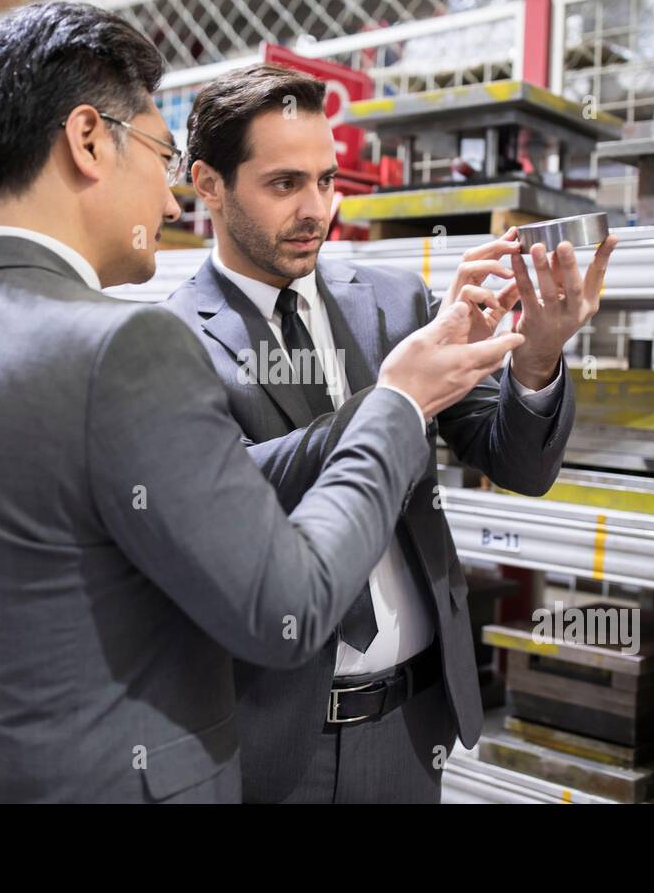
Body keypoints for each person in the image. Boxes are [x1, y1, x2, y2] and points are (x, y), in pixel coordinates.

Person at [0, 1, 521, 803]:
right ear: (89, 141)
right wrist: (396, 405)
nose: (165, 203)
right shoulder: (126, 347)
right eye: (160, 156)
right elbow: (284, 606)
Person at [165, 64, 617, 802]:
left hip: (413, 730)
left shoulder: (393, 301)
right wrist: (397, 397)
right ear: (209, 184)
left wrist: (537, 355)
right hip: (275, 747)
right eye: (284, 185)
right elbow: (228, 501)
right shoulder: (168, 339)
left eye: (327, 180)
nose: (317, 210)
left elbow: (519, 464)